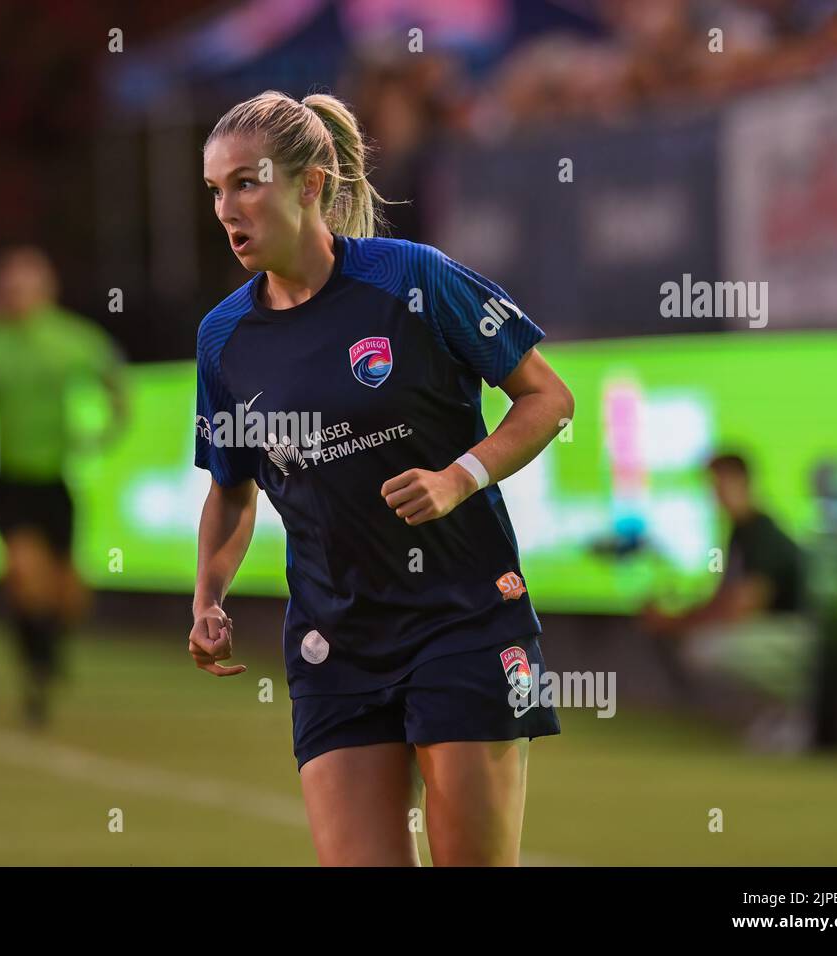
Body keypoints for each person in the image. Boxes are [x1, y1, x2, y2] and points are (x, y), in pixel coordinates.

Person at [190, 90, 574, 866]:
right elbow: (233, 488)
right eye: (216, 190)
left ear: (311, 184)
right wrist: (208, 597)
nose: (228, 208)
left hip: (464, 621)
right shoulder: (224, 338)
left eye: (247, 182)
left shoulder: (418, 280)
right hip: (335, 644)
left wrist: (460, 477)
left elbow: (549, 399)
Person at [0, 246, 127, 726]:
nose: (16, 296)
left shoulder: (70, 340)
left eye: (25, 286)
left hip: (57, 482)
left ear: (46, 289)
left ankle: (50, 648)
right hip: (11, 481)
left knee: (67, 594)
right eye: (8, 287)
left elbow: (114, 383)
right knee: (22, 574)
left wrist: (102, 432)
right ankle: (35, 668)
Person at [641, 453, 815, 751]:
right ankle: (781, 713)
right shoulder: (739, 532)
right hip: (783, 636)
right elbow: (724, 599)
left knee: (705, 648)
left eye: (721, 482)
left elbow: (742, 605)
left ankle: (800, 713)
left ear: (743, 482)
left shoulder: (762, 533)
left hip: (804, 639)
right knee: (705, 643)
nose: (715, 493)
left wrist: (675, 622)